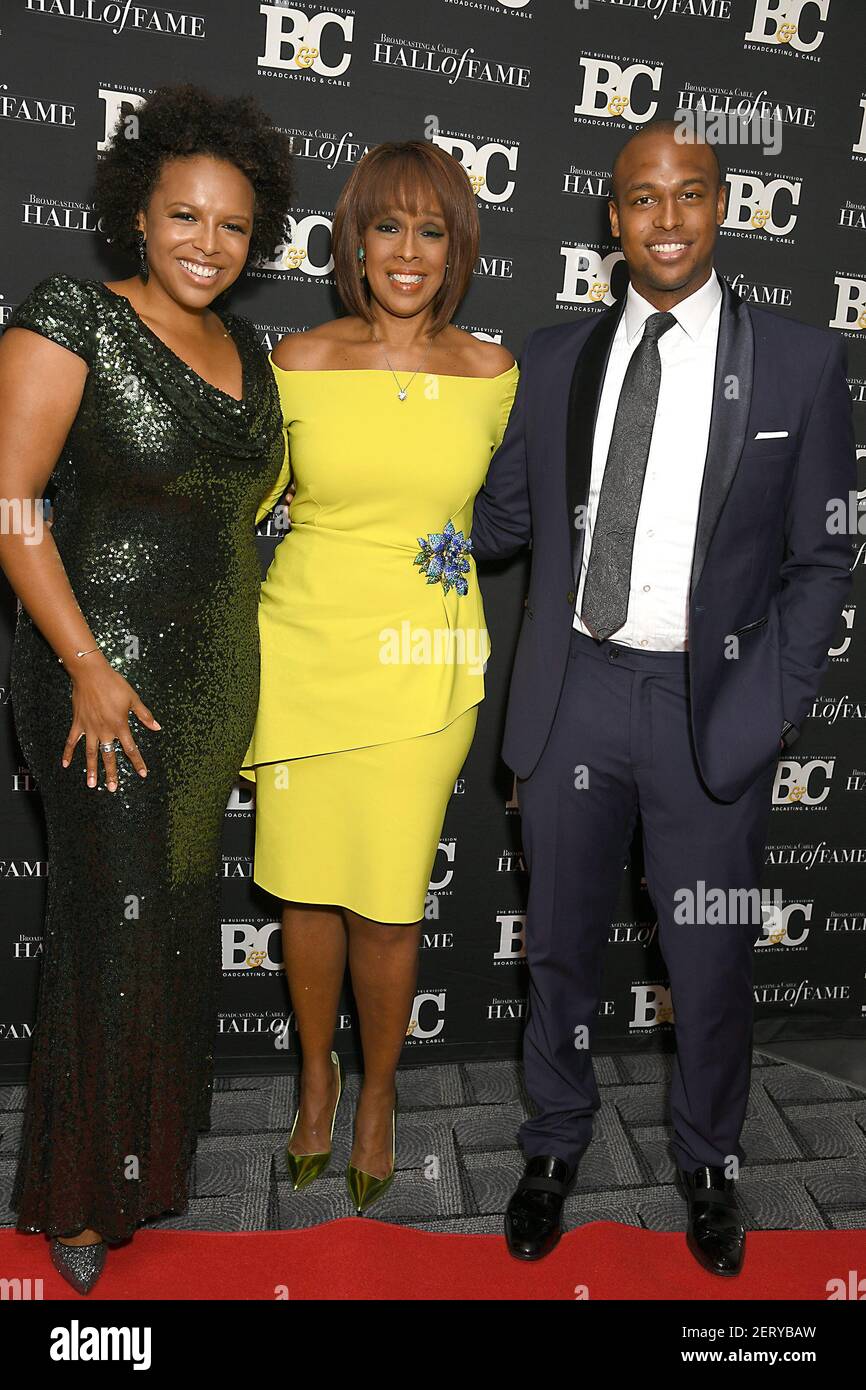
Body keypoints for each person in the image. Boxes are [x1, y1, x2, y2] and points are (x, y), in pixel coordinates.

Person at [470, 120, 856, 1273]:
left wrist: (762, 711)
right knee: (557, 950)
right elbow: (494, 517)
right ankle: (552, 1145)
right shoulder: (553, 358)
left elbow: (821, 561)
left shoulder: (795, 361)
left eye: (690, 193)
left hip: (707, 707)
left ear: (722, 206)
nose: (668, 218)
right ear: (613, 218)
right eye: (642, 197)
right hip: (573, 689)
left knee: (707, 962)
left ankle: (706, 1162)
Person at [0, 83, 294, 1293]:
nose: (205, 245)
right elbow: (14, 508)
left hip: (217, 670)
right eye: (183, 216)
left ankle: (147, 1162)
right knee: (106, 920)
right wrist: (84, 666)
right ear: (136, 215)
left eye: (231, 226)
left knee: (169, 912)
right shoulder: (70, 316)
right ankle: (75, 1194)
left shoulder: (255, 352)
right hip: (95, 674)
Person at [240, 141, 518, 1213]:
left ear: (457, 248)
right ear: (352, 239)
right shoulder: (296, 363)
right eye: (387, 226)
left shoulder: (495, 376)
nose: (407, 252)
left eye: (431, 230)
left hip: (425, 668)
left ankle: (377, 1097)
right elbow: (239, 507)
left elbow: (527, 512)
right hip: (302, 655)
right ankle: (316, 1077)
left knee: (389, 905)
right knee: (307, 887)